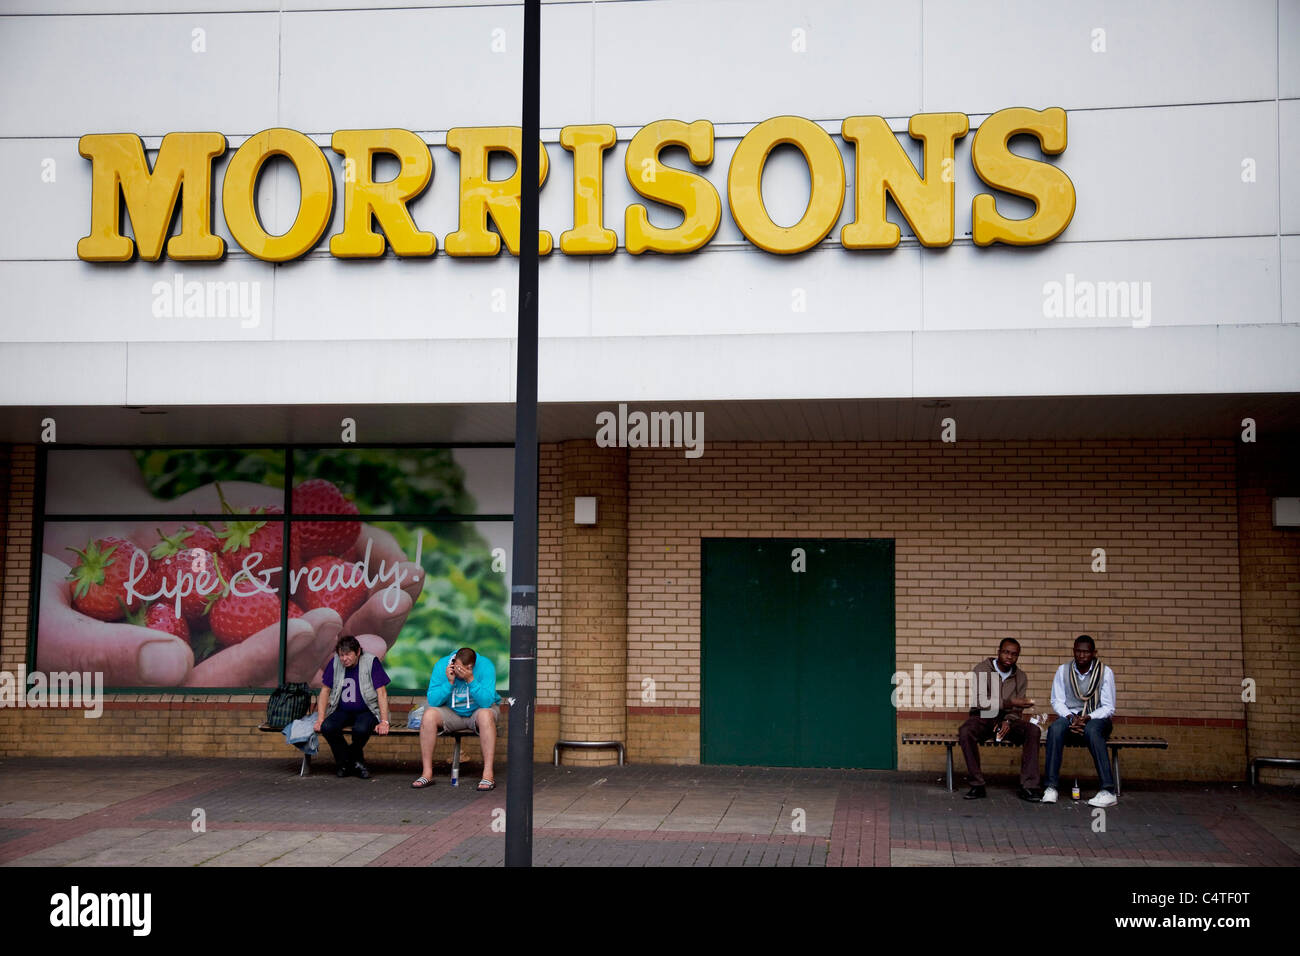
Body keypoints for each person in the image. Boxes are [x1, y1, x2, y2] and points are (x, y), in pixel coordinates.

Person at [957, 638, 1041, 801]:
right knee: (965, 731)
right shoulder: (982, 669)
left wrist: (1008, 720)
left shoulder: (1021, 677)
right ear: (999, 652)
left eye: (1014, 654)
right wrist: (1010, 703)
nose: (1009, 657)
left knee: (1033, 730)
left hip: (1008, 720)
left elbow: (1018, 708)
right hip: (984, 716)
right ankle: (977, 785)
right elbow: (981, 701)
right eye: (1006, 652)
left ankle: (1029, 786)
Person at [1041, 634, 1117, 807]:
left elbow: (1108, 707)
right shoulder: (1063, 670)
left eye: (1086, 652)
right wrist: (1070, 717)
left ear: (1094, 653)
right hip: (1071, 716)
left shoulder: (1105, 672)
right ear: (1073, 651)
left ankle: (1108, 790)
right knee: (1055, 729)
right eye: (1078, 651)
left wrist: (1088, 717)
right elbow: (1057, 701)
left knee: (1092, 731)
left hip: (1097, 718)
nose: (1082, 656)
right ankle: (1051, 787)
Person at [411, 647, 500, 791]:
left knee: (486, 714)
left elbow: (486, 702)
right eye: (455, 666)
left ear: (470, 667)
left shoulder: (485, 666)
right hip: (451, 712)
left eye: (461, 669)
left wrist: (470, 679)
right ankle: (427, 773)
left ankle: (488, 774)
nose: (457, 670)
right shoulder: (442, 665)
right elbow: (433, 701)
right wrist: (449, 682)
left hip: (477, 711)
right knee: (429, 715)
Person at [314, 634, 391, 779]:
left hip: (367, 710)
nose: (344, 659)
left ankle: (345, 763)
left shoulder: (371, 661)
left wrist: (384, 721)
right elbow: (325, 691)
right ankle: (353, 762)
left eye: (348, 654)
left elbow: (382, 693)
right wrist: (320, 718)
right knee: (327, 727)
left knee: (360, 730)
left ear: (358, 652)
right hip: (342, 710)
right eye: (341, 655)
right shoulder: (335, 662)